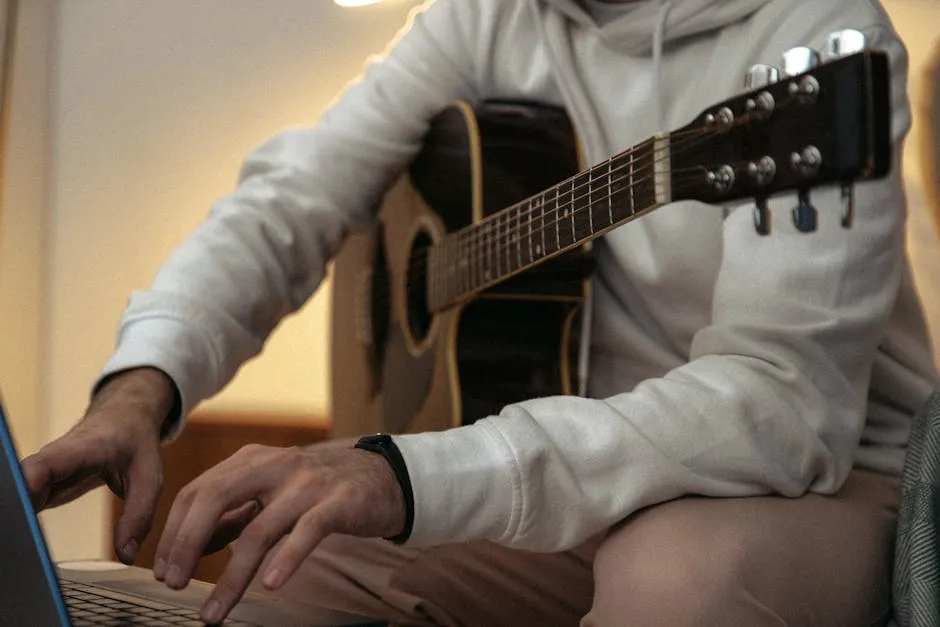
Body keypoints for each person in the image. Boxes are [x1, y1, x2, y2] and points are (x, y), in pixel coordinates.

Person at [21, 0, 940, 625]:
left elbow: (784, 410)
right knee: (294, 572)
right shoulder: (494, 14)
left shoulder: (820, 36)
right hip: (581, 480)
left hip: (821, 478)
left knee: (670, 581)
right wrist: (142, 386)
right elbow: (292, 198)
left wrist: (405, 474)